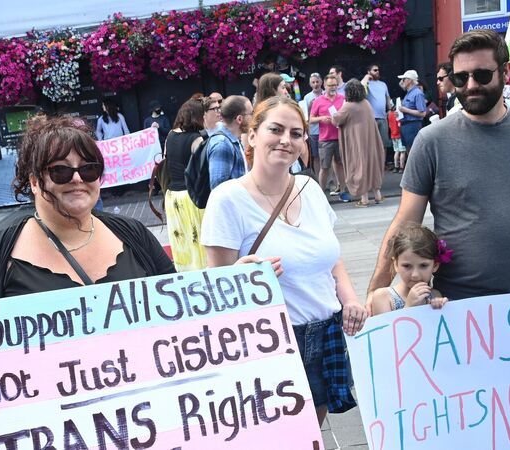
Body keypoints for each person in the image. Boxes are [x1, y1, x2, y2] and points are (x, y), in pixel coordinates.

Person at [366, 29, 510, 323]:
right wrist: (374, 291)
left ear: (505, 71)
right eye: (460, 77)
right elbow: (405, 221)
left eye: (481, 75)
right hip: (455, 308)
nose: (470, 85)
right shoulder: (432, 140)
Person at [0, 116, 175, 345]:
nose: (77, 179)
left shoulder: (132, 234)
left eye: (88, 169)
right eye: (61, 171)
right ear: (35, 182)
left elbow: (178, 305)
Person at [201, 96, 367, 426]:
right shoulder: (227, 199)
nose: (286, 140)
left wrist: (350, 300)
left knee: (313, 434)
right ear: (251, 135)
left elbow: (332, 259)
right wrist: (240, 276)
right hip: (270, 342)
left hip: (326, 333)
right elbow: (216, 287)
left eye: (296, 133)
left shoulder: (310, 188)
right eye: (275, 130)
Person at [164, 99, 207, 271]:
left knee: (181, 240)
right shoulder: (196, 139)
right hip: (191, 197)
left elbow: (166, 159)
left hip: (172, 196)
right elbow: (202, 170)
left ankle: (184, 273)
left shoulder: (170, 135)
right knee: (198, 241)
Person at [369, 225, 449, 315]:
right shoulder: (383, 297)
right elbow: (385, 324)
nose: (415, 275)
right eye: (407, 266)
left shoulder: (435, 295)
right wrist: (409, 307)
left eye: (423, 265)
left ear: (435, 265)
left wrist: (440, 310)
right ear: (396, 264)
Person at [332, 79, 384, 206]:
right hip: (370, 140)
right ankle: (377, 195)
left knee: (359, 165)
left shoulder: (348, 106)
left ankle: (364, 198)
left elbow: (336, 120)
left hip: (356, 142)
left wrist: (333, 114)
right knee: (372, 165)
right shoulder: (366, 103)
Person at [310, 74, 347, 197]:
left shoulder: (342, 99)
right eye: (330, 85)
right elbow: (311, 119)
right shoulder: (318, 101)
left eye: (335, 85)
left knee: (340, 165)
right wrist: (321, 118)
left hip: (340, 137)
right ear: (324, 86)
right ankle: (321, 194)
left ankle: (343, 191)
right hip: (325, 139)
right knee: (325, 167)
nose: (333, 87)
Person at [207, 96, 252, 190]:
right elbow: (218, 189)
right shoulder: (222, 145)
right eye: (251, 114)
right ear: (239, 119)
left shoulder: (233, 140)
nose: (253, 118)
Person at [396, 69, 427, 171]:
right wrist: (400, 113)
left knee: (414, 151)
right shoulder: (409, 93)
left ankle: (418, 172)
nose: (402, 82)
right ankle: (414, 172)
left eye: (404, 79)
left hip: (413, 125)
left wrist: (405, 110)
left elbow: (422, 113)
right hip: (406, 125)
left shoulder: (417, 93)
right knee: (410, 151)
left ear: (409, 80)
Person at [362, 64, 393, 152]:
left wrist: (390, 110)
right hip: (370, 118)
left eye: (378, 70)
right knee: (371, 144)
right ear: (369, 72)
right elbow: (360, 88)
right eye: (375, 70)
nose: (377, 72)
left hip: (383, 118)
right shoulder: (366, 83)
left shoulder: (383, 84)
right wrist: (366, 77)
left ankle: (382, 161)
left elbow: (388, 98)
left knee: (384, 144)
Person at [303, 72, 324, 176]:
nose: (315, 84)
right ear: (310, 84)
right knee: (316, 157)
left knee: (329, 157)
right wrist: (310, 107)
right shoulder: (307, 97)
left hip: (327, 130)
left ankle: (331, 181)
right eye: (313, 82)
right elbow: (305, 117)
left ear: (321, 82)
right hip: (314, 131)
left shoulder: (326, 94)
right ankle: (319, 180)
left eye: (317, 81)